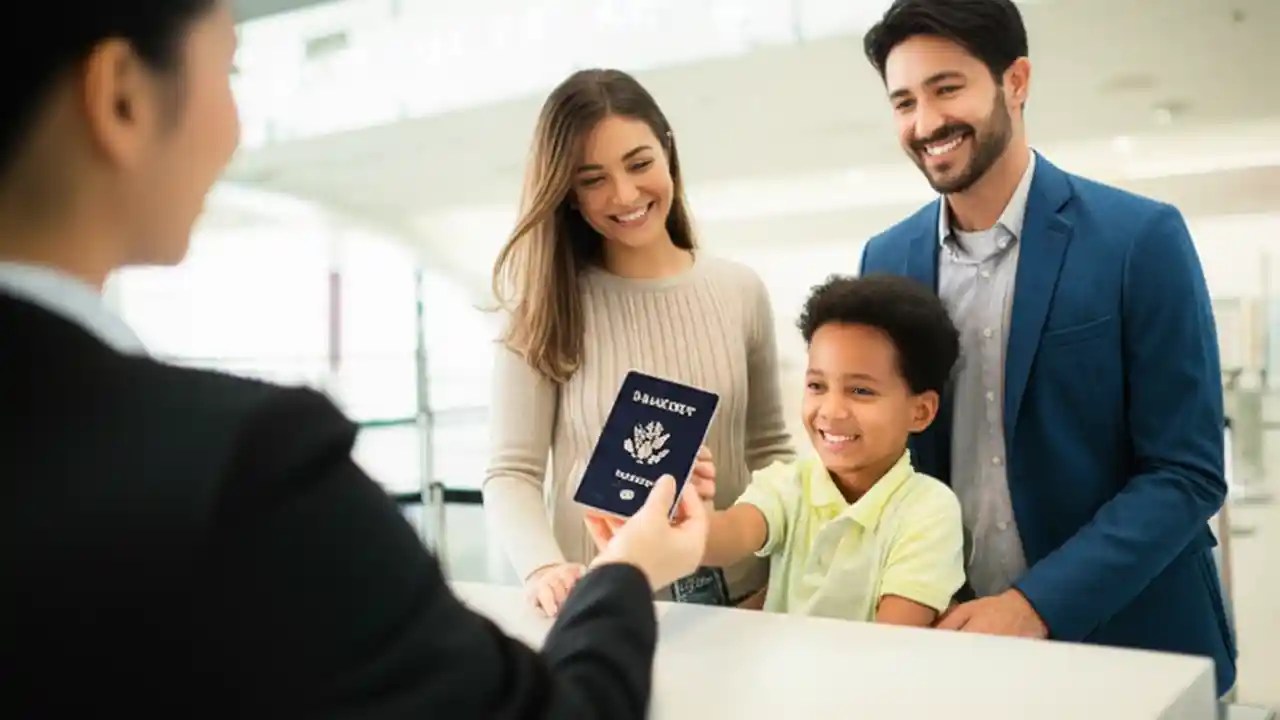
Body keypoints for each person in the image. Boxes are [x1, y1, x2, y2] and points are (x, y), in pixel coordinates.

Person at [1, 2, 713, 717]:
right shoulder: (250, 472)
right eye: (228, 69)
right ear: (121, 96)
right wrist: (625, 570)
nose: (236, 129)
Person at [858, 0, 1235, 694]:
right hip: (955, 642)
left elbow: (1186, 471)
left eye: (947, 88)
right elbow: (887, 461)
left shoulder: (1138, 240)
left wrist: (1036, 605)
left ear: (1016, 81)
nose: (925, 123)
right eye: (903, 101)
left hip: (1135, 643)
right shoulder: (886, 260)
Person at [485, 68, 794, 616]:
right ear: (568, 194)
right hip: (600, 602)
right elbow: (512, 473)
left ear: (668, 151)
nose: (625, 195)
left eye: (639, 164)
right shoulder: (541, 309)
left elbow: (770, 453)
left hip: (738, 601)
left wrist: (774, 575)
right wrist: (544, 568)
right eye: (592, 178)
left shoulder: (740, 291)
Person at [590, 275, 966, 626]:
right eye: (817, 385)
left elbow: (892, 641)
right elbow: (727, 539)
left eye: (861, 391)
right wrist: (693, 514)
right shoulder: (788, 483)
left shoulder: (929, 510)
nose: (831, 411)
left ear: (921, 411)